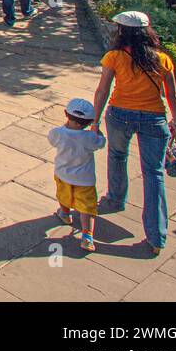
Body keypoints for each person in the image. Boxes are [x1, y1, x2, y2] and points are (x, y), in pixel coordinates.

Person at [91, 11, 176, 255]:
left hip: (121, 114)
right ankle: (156, 237)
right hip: (154, 118)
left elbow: (102, 90)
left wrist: (95, 121)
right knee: (154, 174)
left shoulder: (114, 57)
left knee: (117, 156)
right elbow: (172, 95)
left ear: (122, 31)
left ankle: (115, 199)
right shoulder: (162, 59)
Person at [48, 98, 106, 252]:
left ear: (66, 114)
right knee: (87, 208)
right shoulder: (89, 138)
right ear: (88, 123)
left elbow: (51, 139)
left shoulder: (58, 133)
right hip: (84, 180)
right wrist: (97, 130)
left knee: (63, 196)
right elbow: (101, 142)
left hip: (62, 174)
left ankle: (65, 214)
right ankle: (87, 235)